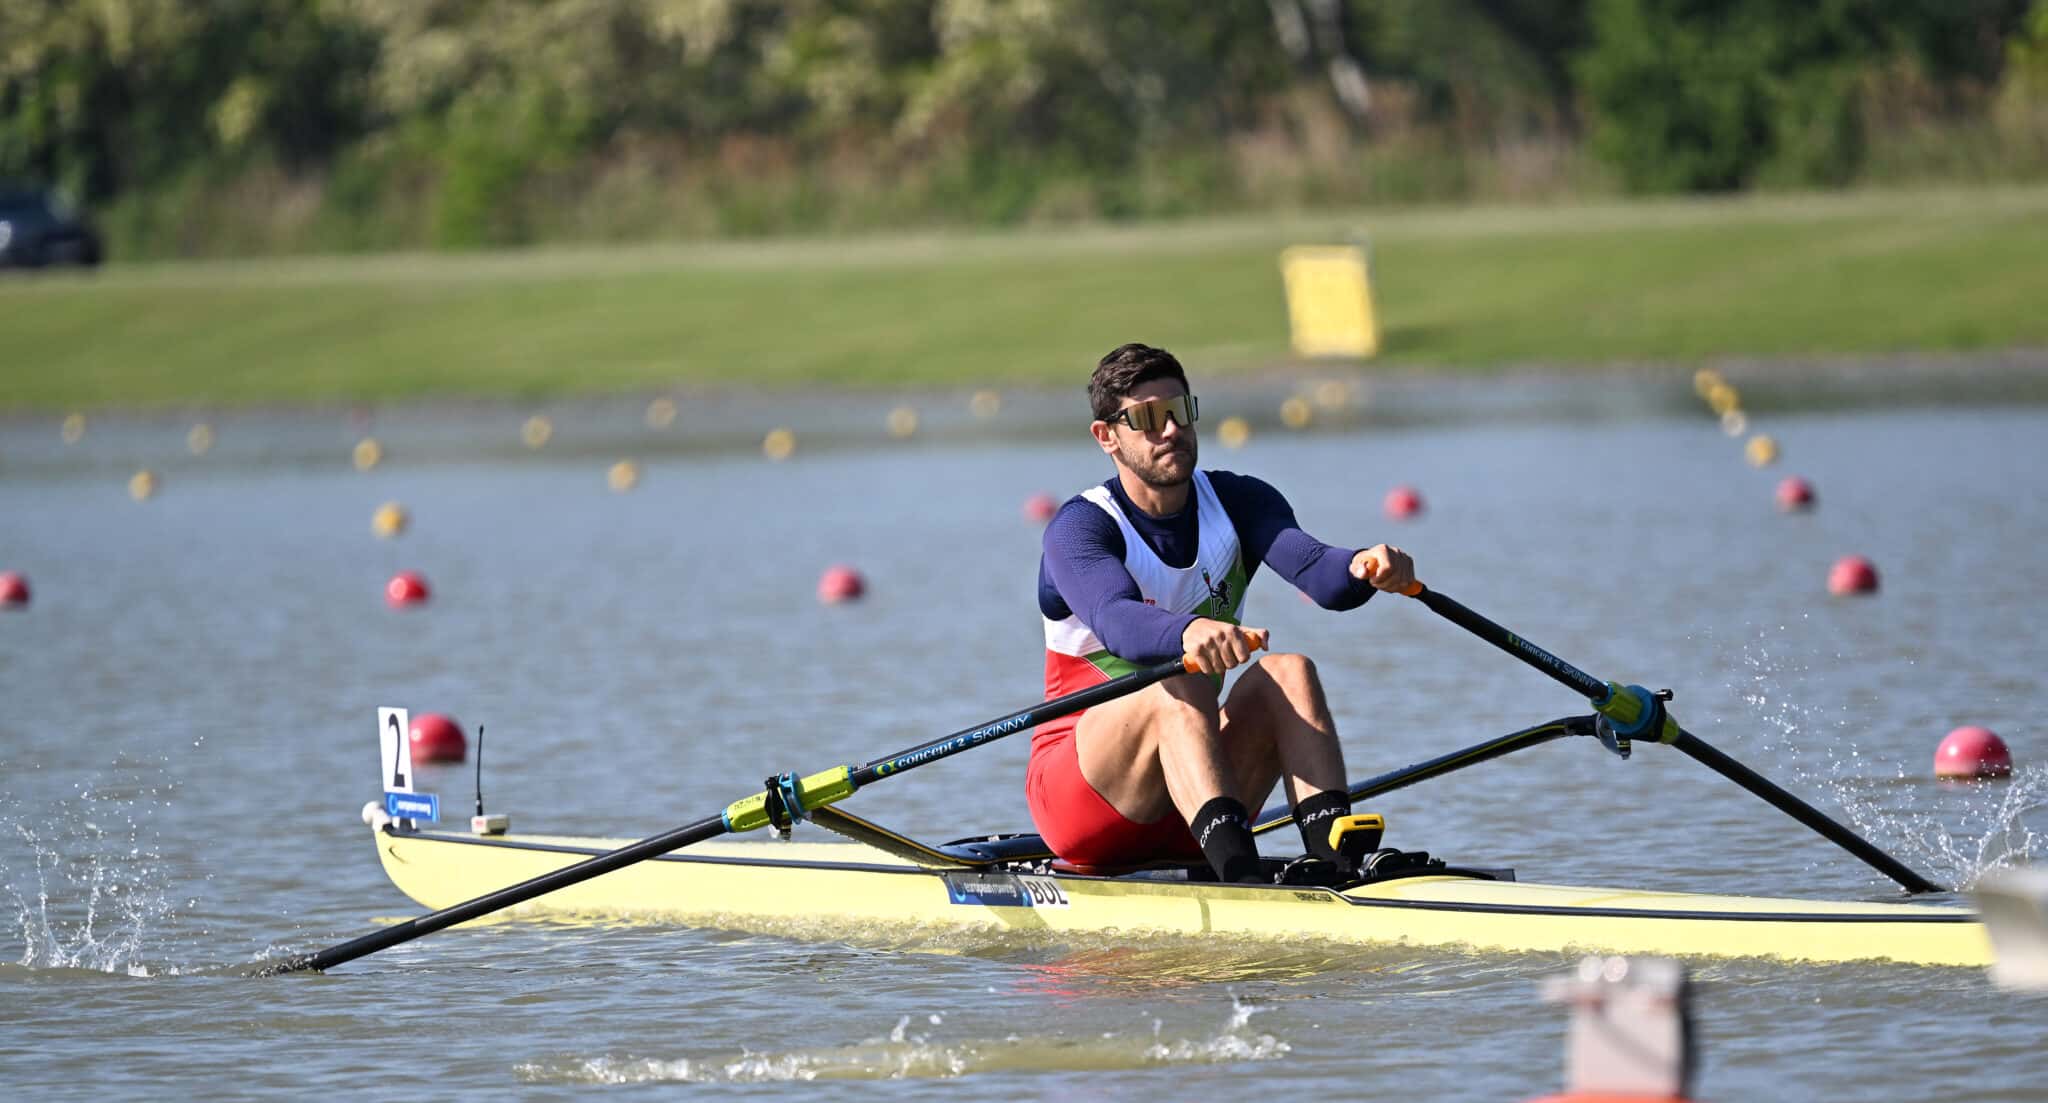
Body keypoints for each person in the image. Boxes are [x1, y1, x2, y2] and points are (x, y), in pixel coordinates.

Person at [1030, 342, 1416, 884]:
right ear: (1107, 436)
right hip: (1086, 801)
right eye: (1147, 418)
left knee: (1290, 671)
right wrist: (1190, 631)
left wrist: (1365, 566)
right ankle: (1241, 879)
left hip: (1197, 797)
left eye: (1180, 411)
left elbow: (1320, 575)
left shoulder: (1238, 500)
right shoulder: (1080, 529)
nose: (1170, 430)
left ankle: (1340, 863)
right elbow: (1118, 622)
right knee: (1181, 687)